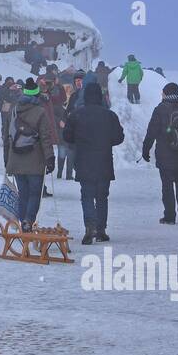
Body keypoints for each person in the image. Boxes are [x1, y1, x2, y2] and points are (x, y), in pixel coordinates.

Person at [62, 81, 124, 244]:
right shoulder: (110, 115)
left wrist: (79, 140)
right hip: (104, 161)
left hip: (83, 161)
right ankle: (101, 229)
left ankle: (90, 226)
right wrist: (105, 141)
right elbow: (119, 137)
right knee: (102, 196)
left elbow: (67, 137)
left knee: (87, 195)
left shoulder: (76, 115)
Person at [142, 82, 178, 224]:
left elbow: (152, 132)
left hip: (164, 154)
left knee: (167, 185)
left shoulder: (160, 110)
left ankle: (169, 216)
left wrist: (146, 149)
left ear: (165, 93)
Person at [7, 78, 56, 232]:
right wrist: (50, 157)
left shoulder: (14, 110)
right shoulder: (40, 112)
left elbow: (7, 135)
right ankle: (28, 220)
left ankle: (23, 223)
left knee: (23, 194)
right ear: (36, 95)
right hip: (35, 160)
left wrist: (6, 159)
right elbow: (45, 137)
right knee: (35, 194)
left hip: (16, 159)